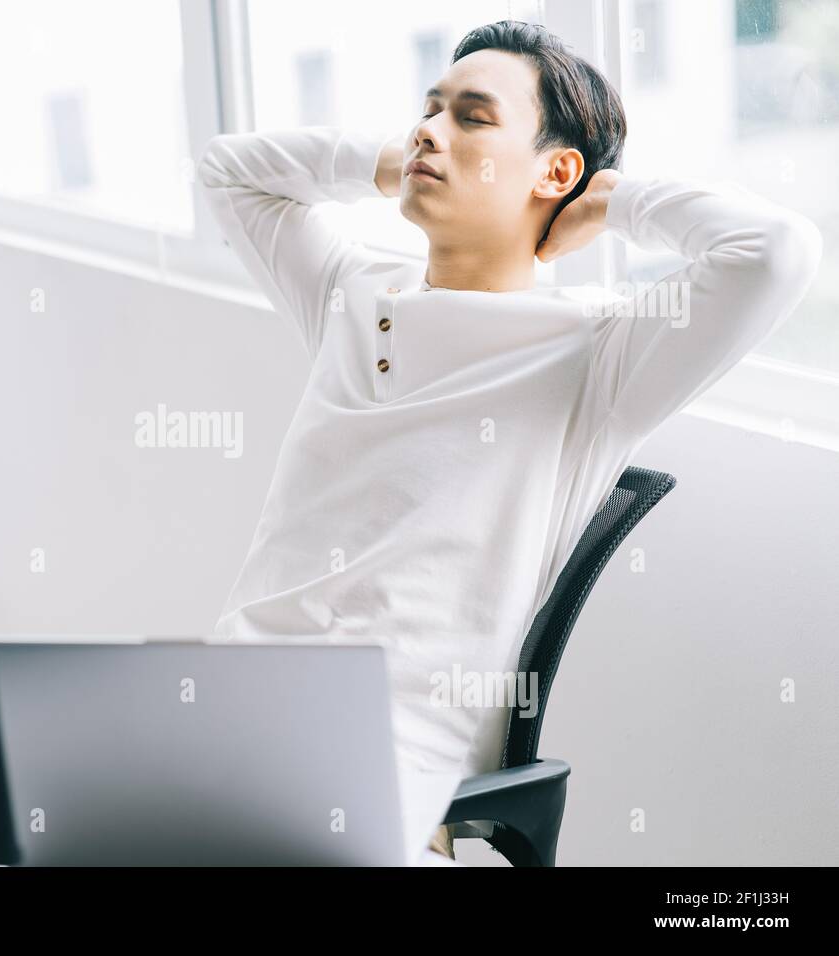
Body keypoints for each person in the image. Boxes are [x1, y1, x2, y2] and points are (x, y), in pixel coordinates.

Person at [196, 20, 822, 862]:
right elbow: (227, 171)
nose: (429, 129)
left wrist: (608, 200)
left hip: (384, 757)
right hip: (222, 706)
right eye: (429, 109)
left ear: (556, 171)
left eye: (473, 118)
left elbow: (777, 251)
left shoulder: (598, 354)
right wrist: (394, 161)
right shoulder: (352, 293)